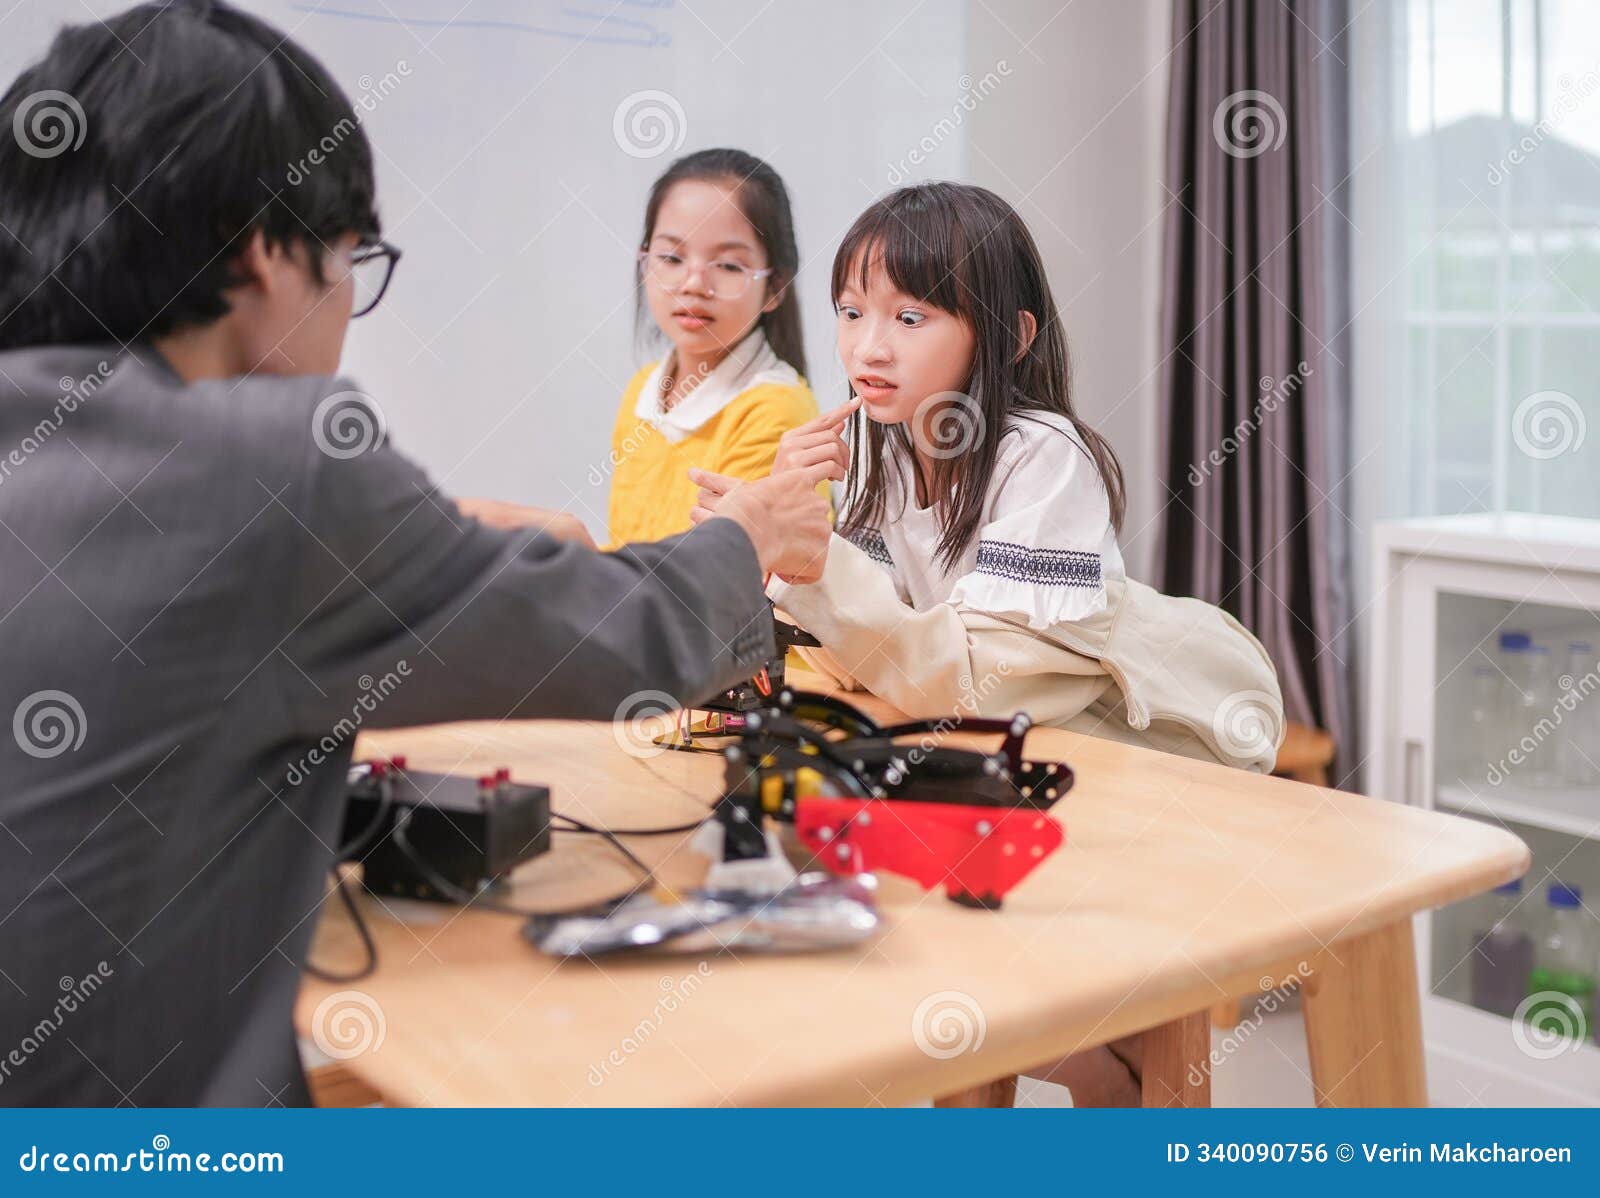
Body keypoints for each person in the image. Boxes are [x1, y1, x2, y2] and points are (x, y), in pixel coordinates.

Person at [0, 0, 829, 1106]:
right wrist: (748, 535)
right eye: (352, 260)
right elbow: (618, 631)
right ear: (264, 257)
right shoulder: (269, 466)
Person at [691, 183, 1286, 1104]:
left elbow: (967, 684)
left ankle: (1110, 1071)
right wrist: (772, 533)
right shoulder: (880, 455)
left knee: (928, 956)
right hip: (1008, 759)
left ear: (1006, 339)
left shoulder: (1041, 456)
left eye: (910, 314)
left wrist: (810, 562)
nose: (866, 345)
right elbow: (870, 651)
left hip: (1153, 758)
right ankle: (1070, 1069)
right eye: (851, 312)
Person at [605, 149, 820, 547]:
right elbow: (627, 553)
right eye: (671, 257)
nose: (693, 284)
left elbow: (727, 581)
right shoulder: (642, 390)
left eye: (728, 266)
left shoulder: (775, 410)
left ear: (775, 288)